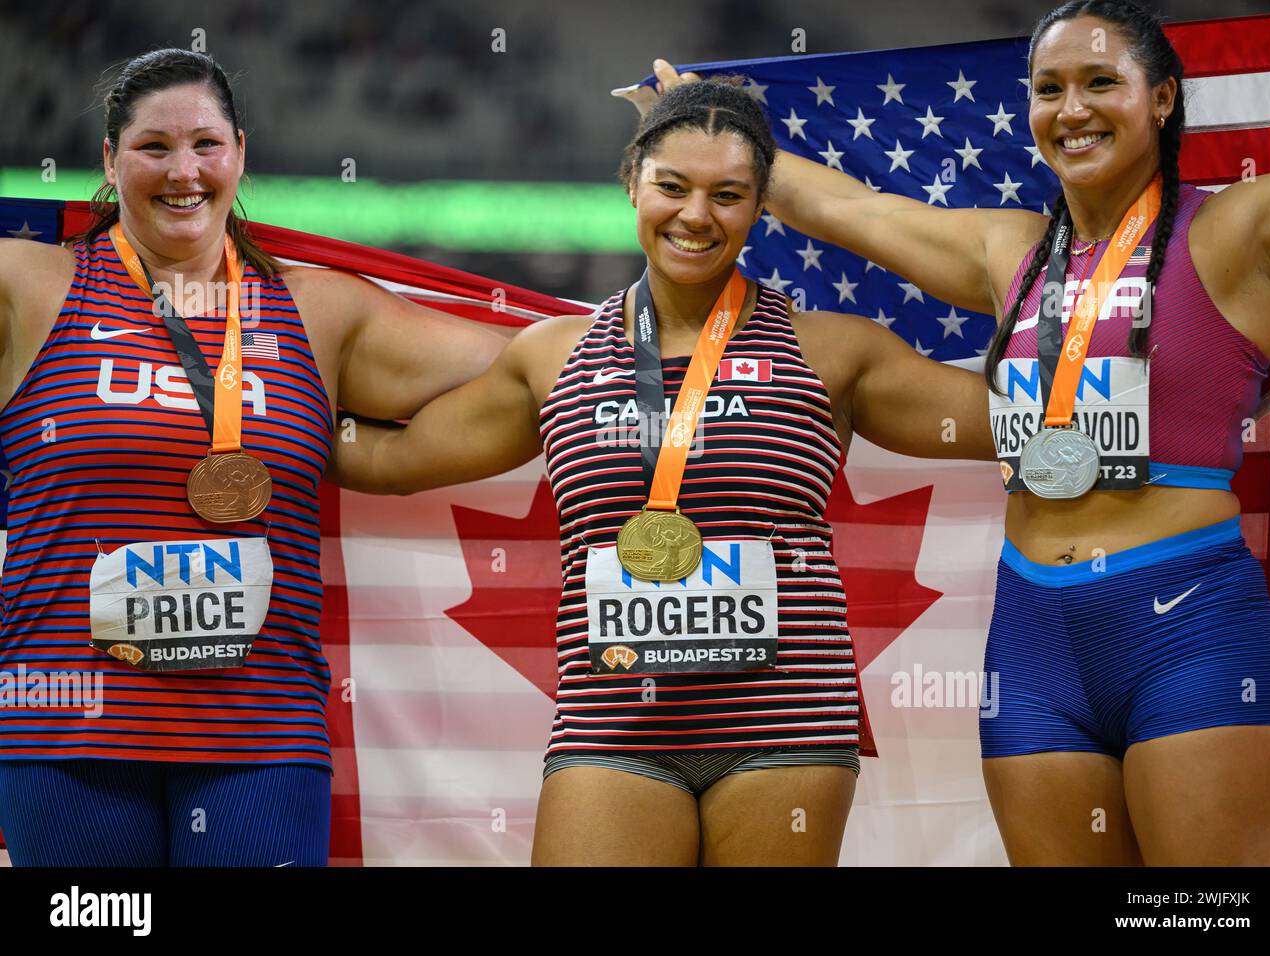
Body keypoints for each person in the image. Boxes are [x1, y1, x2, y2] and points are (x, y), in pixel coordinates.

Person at [642, 0, 1270, 865]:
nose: (1073, 109)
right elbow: (852, 211)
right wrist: (698, 125)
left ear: (1165, 98)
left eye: (1103, 82)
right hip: (1034, 643)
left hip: (1191, 630)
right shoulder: (1010, 251)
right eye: (1049, 88)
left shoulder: (1243, 229)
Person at [331, 76, 995, 866]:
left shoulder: (831, 351)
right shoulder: (554, 355)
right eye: (671, 187)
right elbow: (397, 461)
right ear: (631, 185)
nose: (695, 215)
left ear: (760, 207)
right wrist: (232, 421)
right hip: (612, 729)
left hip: (785, 726)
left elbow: (1020, 417)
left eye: (728, 194)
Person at [0, 49, 511, 866]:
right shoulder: (31, 289)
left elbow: (536, 367)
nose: (183, 171)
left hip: (259, 734)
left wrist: (687, 322)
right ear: (107, 159)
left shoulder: (322, 312)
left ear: (241, 151)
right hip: (67, 725)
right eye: (152, 147)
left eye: (206, 144)